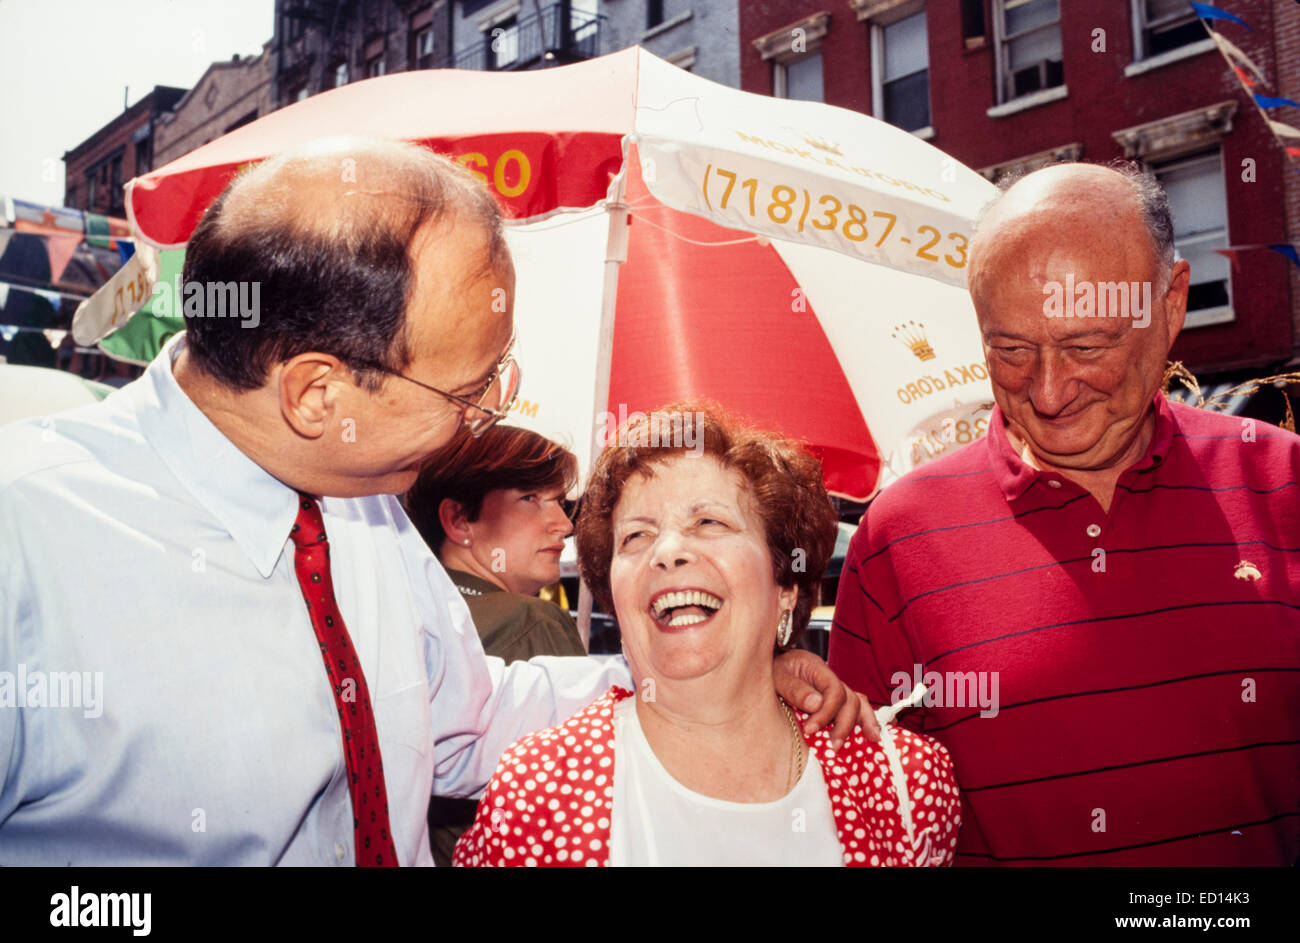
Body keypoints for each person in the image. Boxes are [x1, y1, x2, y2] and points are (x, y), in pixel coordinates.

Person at [0, 137, 862, 865]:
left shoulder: (359, 495)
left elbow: (467, 722)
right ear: (317, 396)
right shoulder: (25, 543)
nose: (482, 418)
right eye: (470, 391)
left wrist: (708, 679)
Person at [828, 161, 1300, 866]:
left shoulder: (1286, 483)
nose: (1048, 393)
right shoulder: (897, 536)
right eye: (1011, 350)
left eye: (1089, 346)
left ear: (1171, 306)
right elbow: (850, 800)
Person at [455, 404, 959, 866]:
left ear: (785, 582)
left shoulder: (903, 784)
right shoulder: (537, 797)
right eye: (636, 535)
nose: (668, 551)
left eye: (709, 521)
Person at [405, 425, 586, 864]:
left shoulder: (402, 618)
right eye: (530, 498)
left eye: (560, 503)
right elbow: (583, 798)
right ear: (459, 520)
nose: (563, 524)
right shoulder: (533, 621)